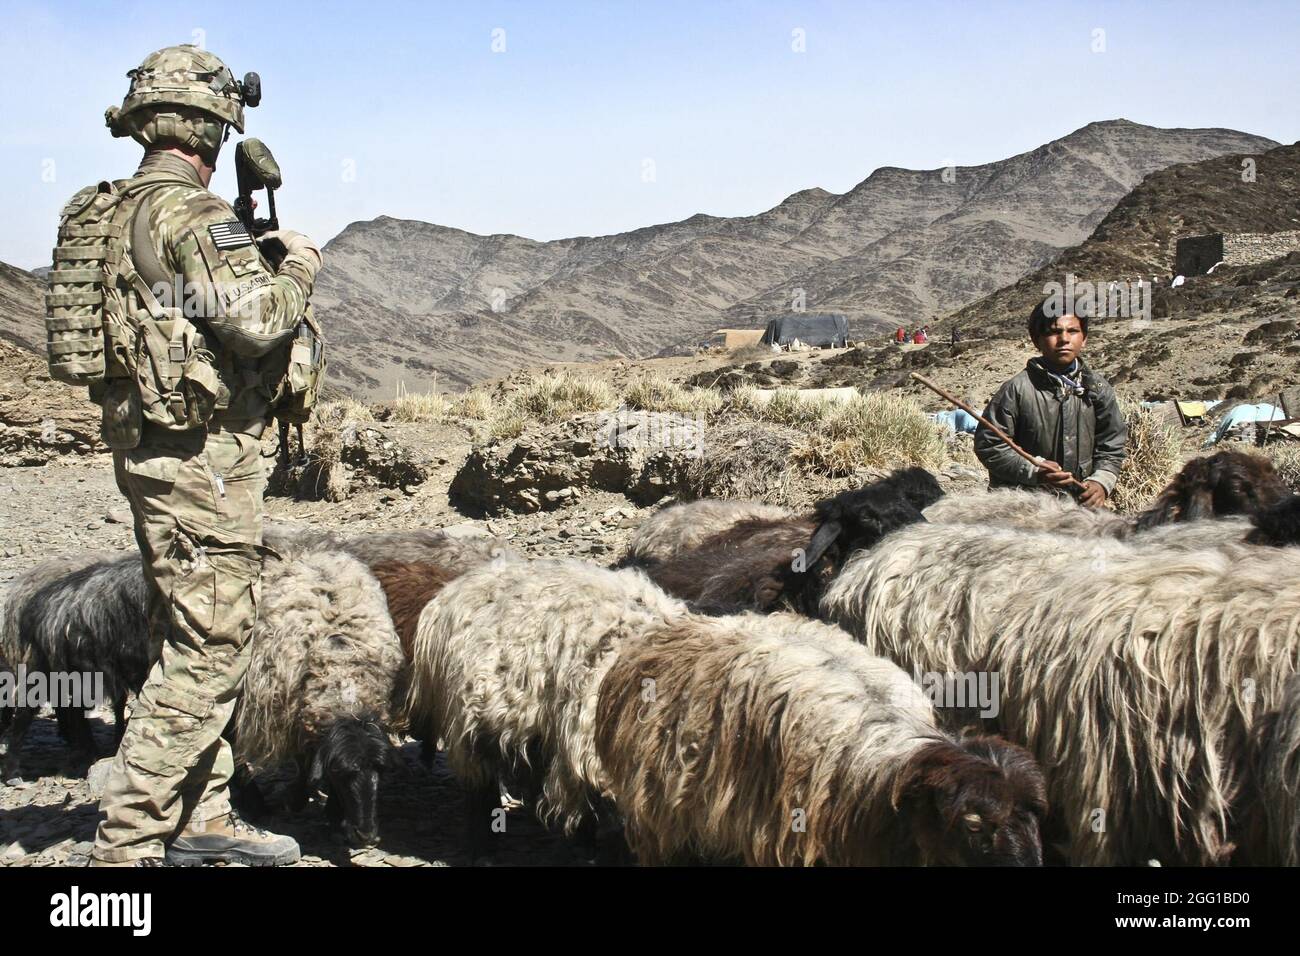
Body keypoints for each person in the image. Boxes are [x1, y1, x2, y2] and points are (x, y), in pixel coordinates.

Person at [53, 45, 323, 866]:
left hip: (150, 451)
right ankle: (125, 849)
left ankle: (204, 819)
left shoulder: (100, 211)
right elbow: (258, 322)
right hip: (203, 463)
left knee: (186, 633)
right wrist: (299, 265)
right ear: (210, 126)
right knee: (210, 649)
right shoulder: (190, 216)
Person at [974, 298, 1126, 508]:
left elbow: (1112, 446)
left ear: (1084, 339)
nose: (1064, 339)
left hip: (1078, 507)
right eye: (1054, 332)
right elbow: (989, 444)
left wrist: (1101, 482)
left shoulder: (1098, 389)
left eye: (1072, 331)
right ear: (1036, 340)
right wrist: (1033, 469)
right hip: (1021, 508)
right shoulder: (1017, 390)